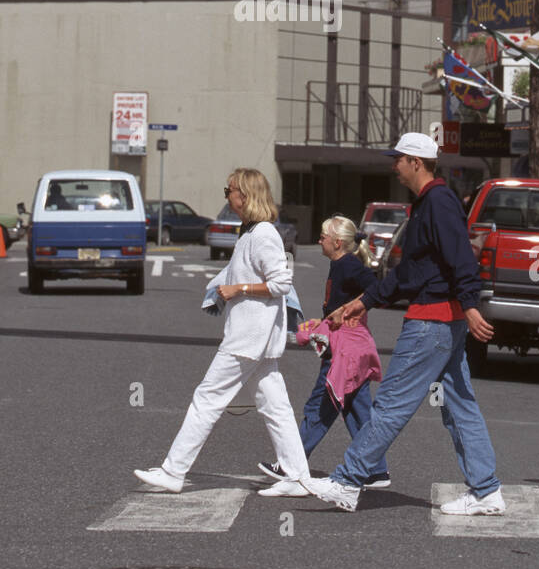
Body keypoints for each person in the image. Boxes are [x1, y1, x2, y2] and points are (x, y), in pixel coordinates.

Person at [299, 133, 504, 514]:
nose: (394, 165)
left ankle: (348, 480)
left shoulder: (438, 203)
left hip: (432, 322)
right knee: (459, 406)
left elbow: (460, 256)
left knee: (392, 403)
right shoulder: (429, 203)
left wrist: (471, 303)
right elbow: (411, 272)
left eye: (399, 158)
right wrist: (365, 301)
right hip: (444, 322)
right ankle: (486, 490)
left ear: (416, 162)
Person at [134, 168, 309, 494]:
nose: (226, 196)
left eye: (228, 190)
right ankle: (298, 476)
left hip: (248, 337)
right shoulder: (250, 232)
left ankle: (173, 471)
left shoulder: (262, 235)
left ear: (244, 194)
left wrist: (238, 289)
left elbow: (282, 282)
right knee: (275, 406)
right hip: (254, 335)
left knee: (207, 400)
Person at [257, 216, 389, 498]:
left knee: (319, 408)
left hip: (345, 351)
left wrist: (353, 307)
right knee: (357, 410)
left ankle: (291, 464)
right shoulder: (341, 264)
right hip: (349, 348)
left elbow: (379, 288)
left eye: (323, 236)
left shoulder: (350, 265)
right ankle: (376, 469)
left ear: (337, 242)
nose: (319, 240)